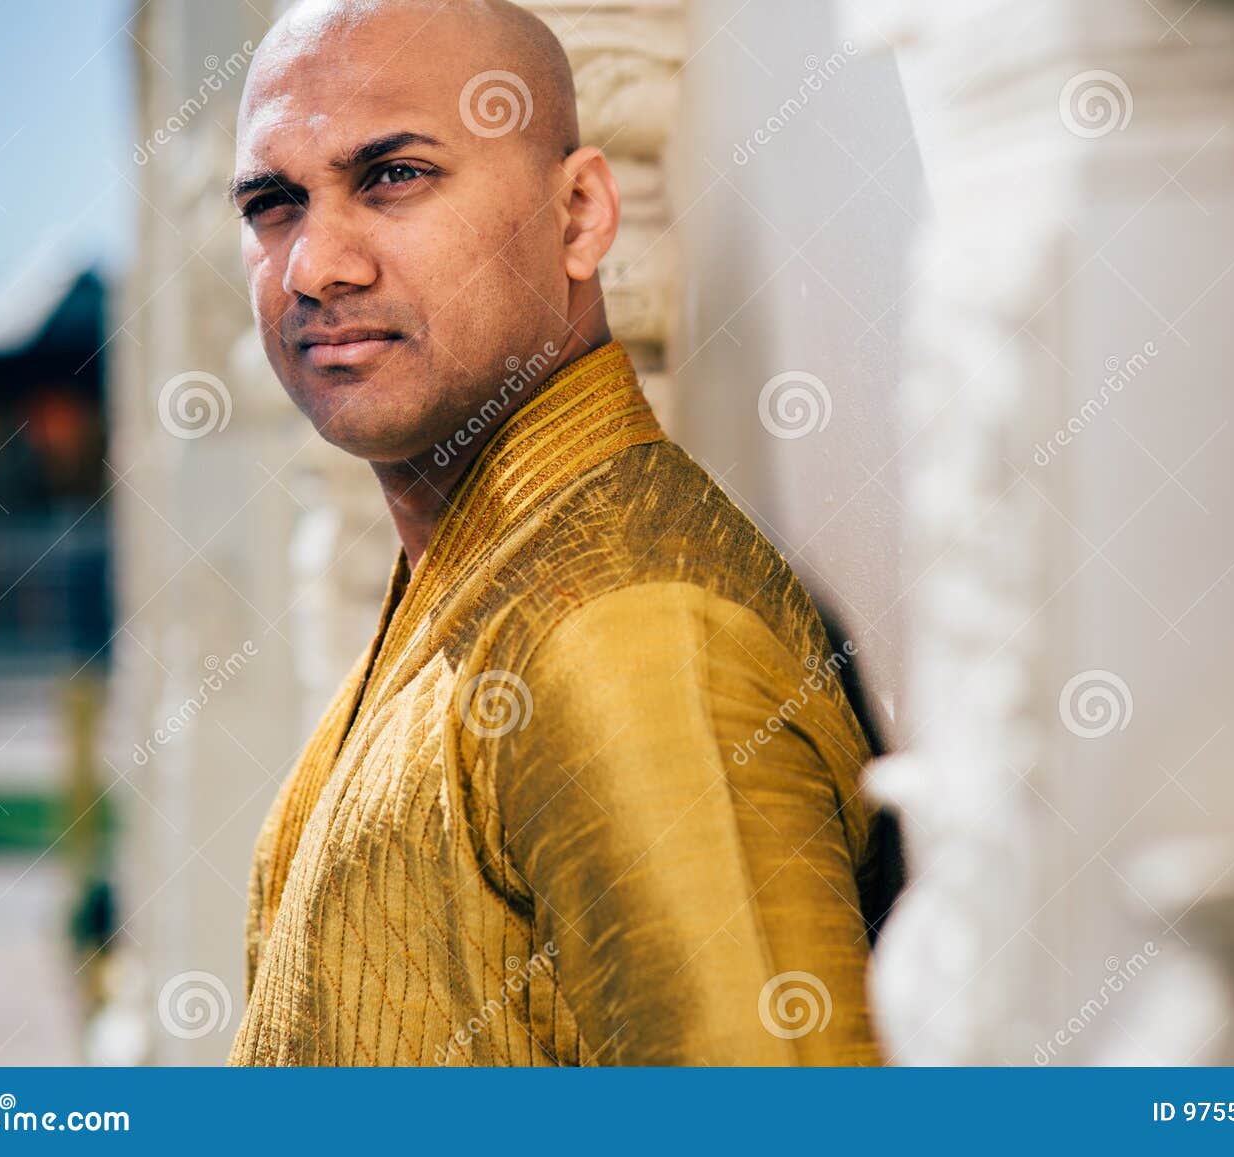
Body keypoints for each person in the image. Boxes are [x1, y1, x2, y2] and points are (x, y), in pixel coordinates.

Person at [227, 0, 882, 1065]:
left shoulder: (627, 630)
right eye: (273, 203)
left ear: (579, 214)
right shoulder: (477, 580)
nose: (315, 266)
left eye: (392, 175)